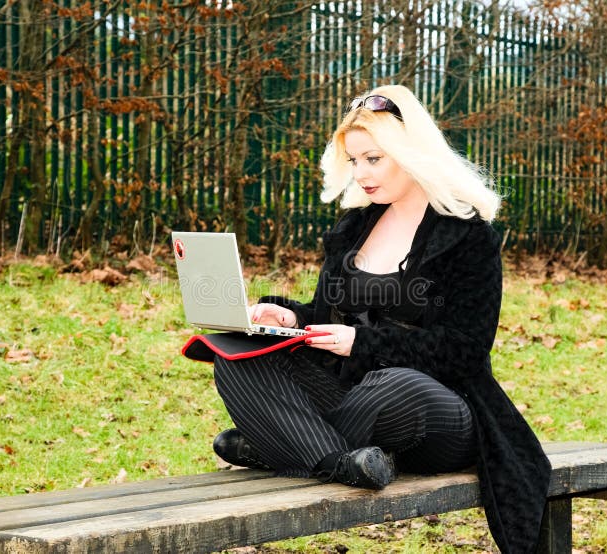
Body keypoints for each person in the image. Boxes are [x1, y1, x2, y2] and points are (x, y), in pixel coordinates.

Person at [210, 84, 551, 553]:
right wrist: (287, 315)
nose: (361, 174)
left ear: (411, 153)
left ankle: (279, 443)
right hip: (349, 394)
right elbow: (327, 314)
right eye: (353, 161)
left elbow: (466, 350)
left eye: (373, 159)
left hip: (439, 409)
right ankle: (339, 460)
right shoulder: (355, 226)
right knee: (236, 354)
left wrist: (362, 344)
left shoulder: (467, 236)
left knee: (395, 385)